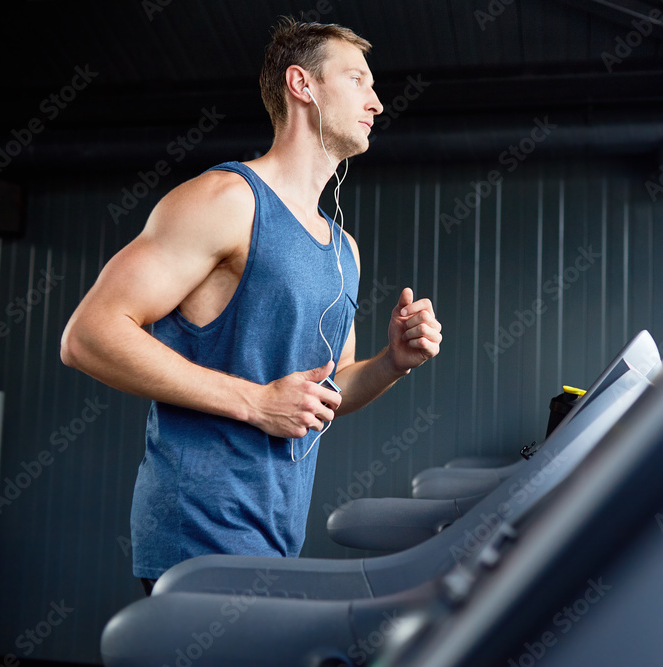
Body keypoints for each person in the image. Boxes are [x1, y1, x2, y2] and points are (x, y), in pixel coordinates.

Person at [60, 18, 442, 596]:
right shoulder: (226, 200)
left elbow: (328, 393)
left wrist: (394, 361)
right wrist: (256, 402)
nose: (378, 102)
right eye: (358, 80)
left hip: (276, 534)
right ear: (302, 85)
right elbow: (88, 335)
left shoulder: (345, 250)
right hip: (199, 535)